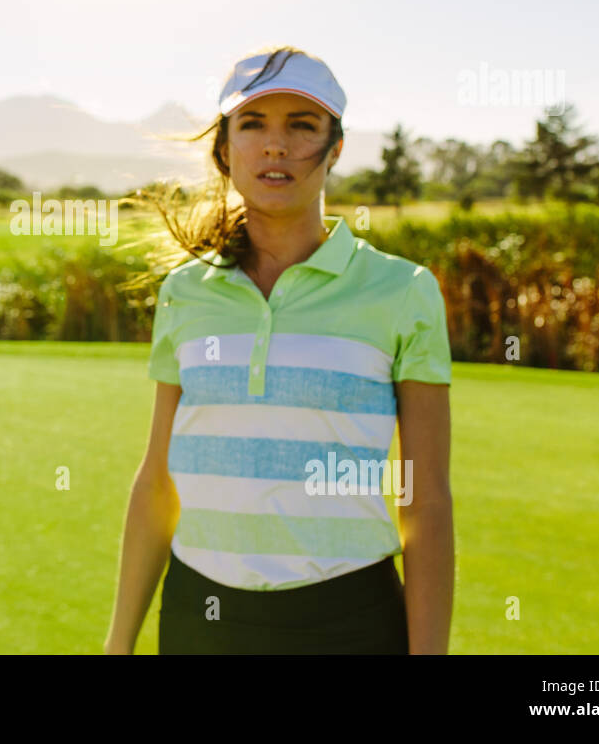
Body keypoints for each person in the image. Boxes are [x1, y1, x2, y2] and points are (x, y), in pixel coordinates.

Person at [104, 46, 454, 654]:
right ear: (224, 149)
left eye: (302, 125)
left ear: (335, 147)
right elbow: (158, 482)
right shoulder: (185, 294)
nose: (276, 145)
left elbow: (424, 499)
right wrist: (118, 646)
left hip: (348, 621)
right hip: (199, 616)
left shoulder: (404, 292)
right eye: (254, 124)